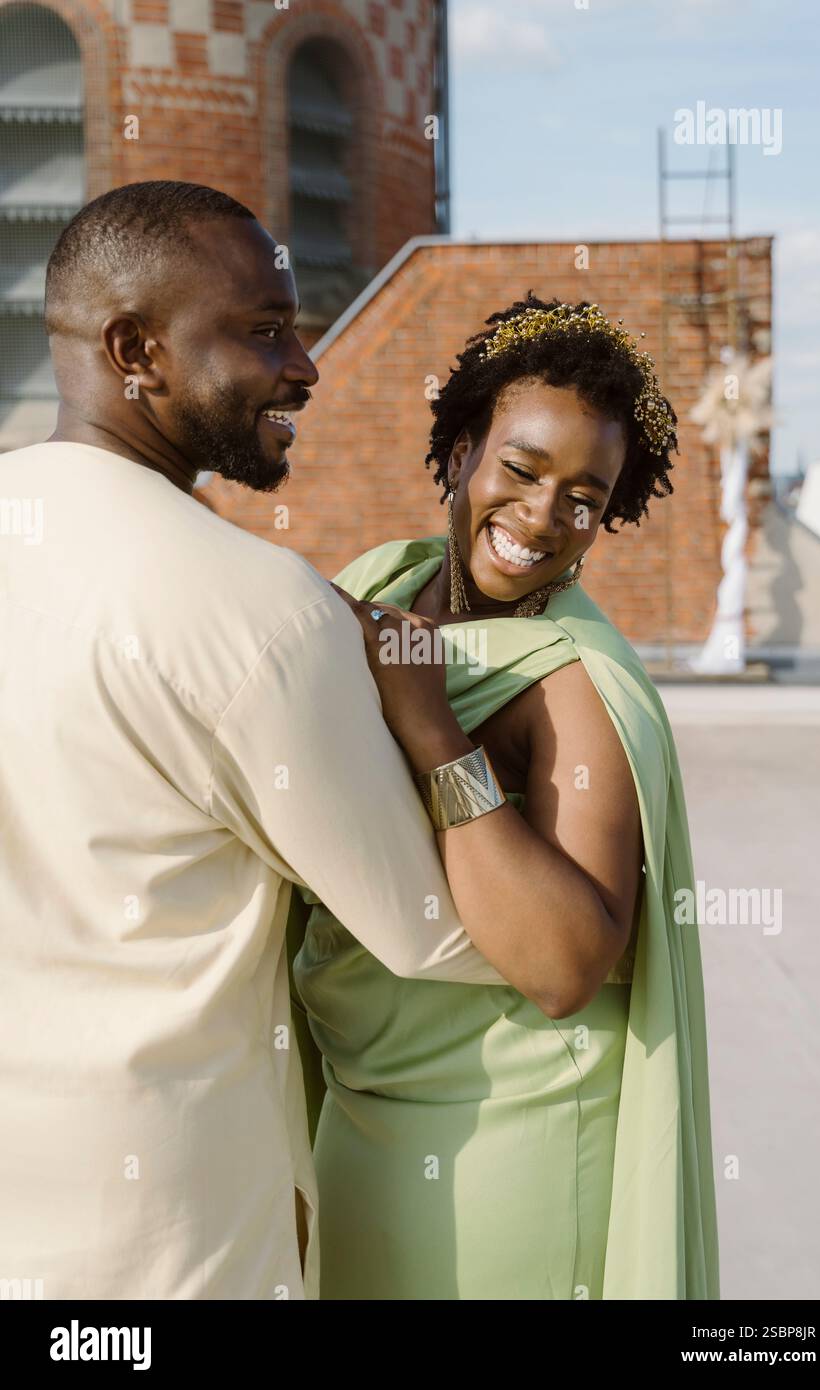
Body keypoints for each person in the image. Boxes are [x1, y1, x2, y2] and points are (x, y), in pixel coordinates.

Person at [0, 180, 550, 1301]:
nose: (303, 366)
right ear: (134, 349)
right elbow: (432, 933)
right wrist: (432, 723)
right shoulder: (259, 607)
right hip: (156, 1234)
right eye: (261, 331)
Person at [292, 296, 720, 1299]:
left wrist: (432, 726)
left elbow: (567, 964)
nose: (541, 517)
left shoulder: (572, 679)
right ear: (457, 456)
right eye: (520, 471)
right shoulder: (377, 583)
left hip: (506, 1146)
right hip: (354, 1112)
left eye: (584, 497)